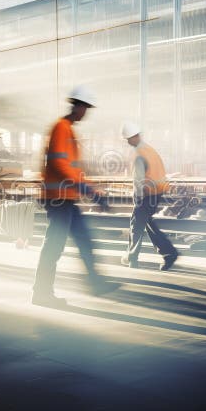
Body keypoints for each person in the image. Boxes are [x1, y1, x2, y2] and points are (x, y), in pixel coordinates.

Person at [31, 86, 120, 307]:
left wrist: (91, 190)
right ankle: (41, 293)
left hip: (66, 197)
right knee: (54, 245)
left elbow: (72, 168)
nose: (86, 113)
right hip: (58, 198)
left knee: (84, 239)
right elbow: (60, 165)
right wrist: (89, 191)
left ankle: (95, 282)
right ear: (77, 106)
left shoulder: (68, 130)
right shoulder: (61, 128)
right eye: (86, 108)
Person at [119, 122, 178, 271]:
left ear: (135, 136)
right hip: (157, 192)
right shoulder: (150, 150)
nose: (127, 142)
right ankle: (169, 253)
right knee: (147, 224)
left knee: (136, 225)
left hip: (146, 195)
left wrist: (137, 199)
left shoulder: (139, 155)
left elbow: (139, 180)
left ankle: (132, 258)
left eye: (128, 139)